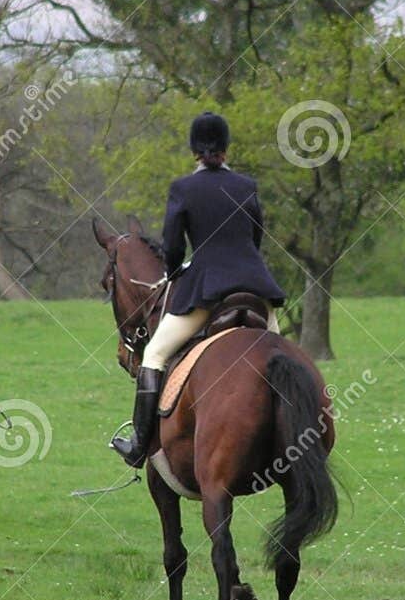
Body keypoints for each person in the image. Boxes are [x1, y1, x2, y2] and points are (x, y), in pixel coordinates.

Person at [111, 111, 285, 467]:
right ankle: (300, 434)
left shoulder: (183, 189)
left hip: (209, 293)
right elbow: (256, 237)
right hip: (255, 291)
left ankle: (139, 444)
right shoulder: (246, 185)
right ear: (225, 147)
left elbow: (173, 247)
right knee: (285, 359)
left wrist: (176, 271)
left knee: (154, 356)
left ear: (195, 150)